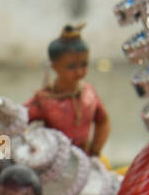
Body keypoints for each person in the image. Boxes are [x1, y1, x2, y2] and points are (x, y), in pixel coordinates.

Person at [26, 25, 110, 157]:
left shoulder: (89, 93)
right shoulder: (44, 100)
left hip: (84, 157)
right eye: (71, 66)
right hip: (55, 161)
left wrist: (95, 151)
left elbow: (103, 121)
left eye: (84, 64)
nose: (79, 71)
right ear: (54, 66)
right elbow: (17, 122)